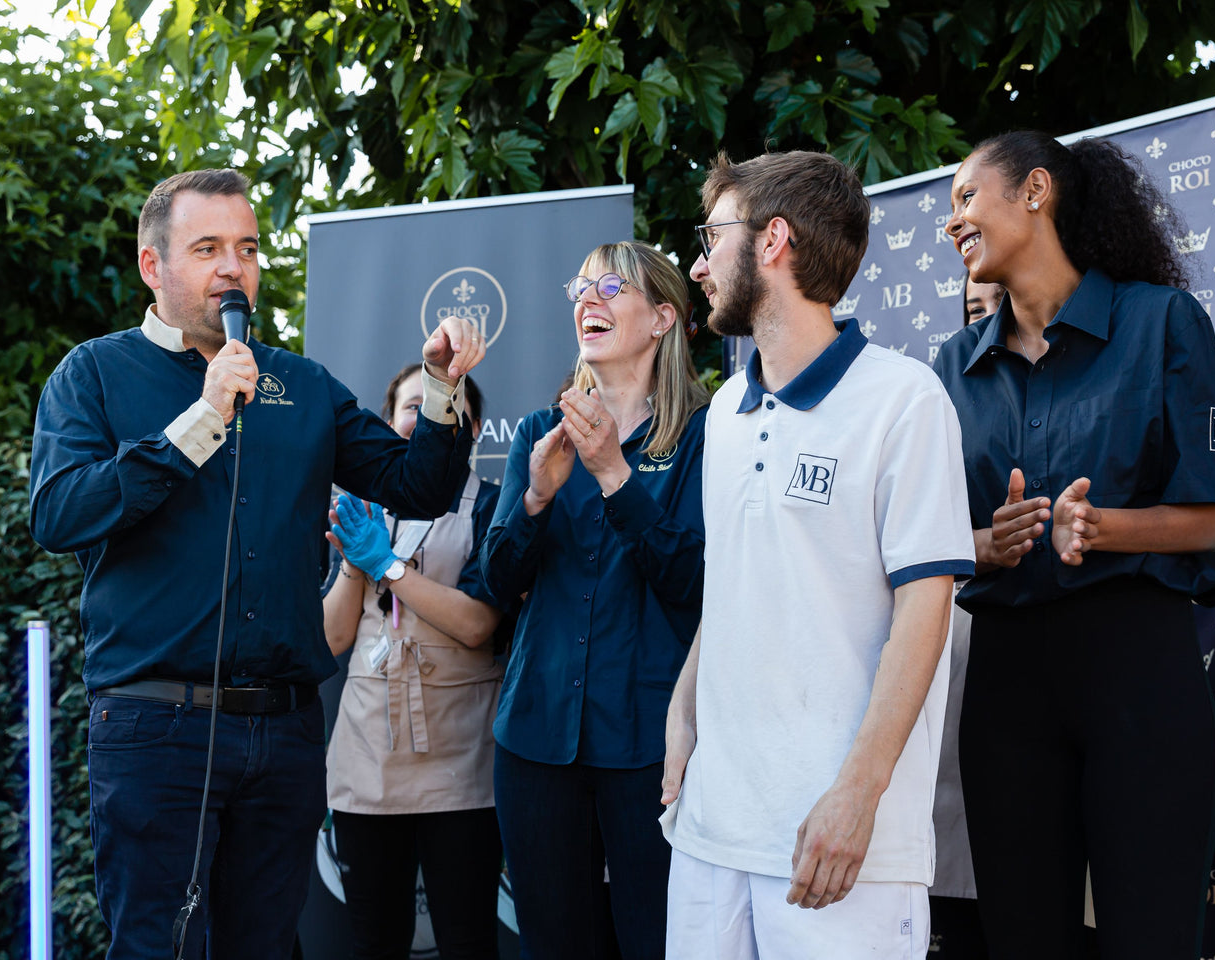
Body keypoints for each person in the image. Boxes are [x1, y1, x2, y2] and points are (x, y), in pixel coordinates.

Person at [28, 168, 485, 959]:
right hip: (153, 724)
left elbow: (421, 485)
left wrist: (442, 389)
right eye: (207, 248)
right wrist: (202, 419)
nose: (232, 267)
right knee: (155, 947)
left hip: (282, 729)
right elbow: (62, 513)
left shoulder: (301, 385)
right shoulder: (93, 375)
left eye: (246, 248)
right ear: (153, 266)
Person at [660, 150, 976, 960]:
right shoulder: (724, 409)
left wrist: (858, 795)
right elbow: (734, 586)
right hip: (711, 831)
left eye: (711, 236)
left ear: (773, 240)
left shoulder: (905, 400)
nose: (697, 265)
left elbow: (924, 608)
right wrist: (684, 712)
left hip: (840, 844)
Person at [932, 131, 1215, 960]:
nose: (951, 221)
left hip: (1139, 672)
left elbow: (1210, 516)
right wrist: (984, 545)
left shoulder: (1161, 321)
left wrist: (1100, 528)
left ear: (1036, 191)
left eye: (966, 197)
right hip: (1004, 691)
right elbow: (925, 540)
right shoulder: (949, 368)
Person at [480, 240, 709, 960]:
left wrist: (614, 473)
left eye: (612, 286)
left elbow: (696, 586)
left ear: (663, 318)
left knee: (657, 942)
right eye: (580, 288)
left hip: (650, 744)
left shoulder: (707, 434)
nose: (589, 300)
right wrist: (536, 497)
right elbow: (495, 583)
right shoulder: (533, 436)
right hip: (537, 736)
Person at [322, 365, 506, 960]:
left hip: (463, 759)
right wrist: (356, 560)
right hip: (368, 755)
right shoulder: (357, 508)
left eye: (445, 408)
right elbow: (332, 640)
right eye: (412, 407)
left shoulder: (495, 508)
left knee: (468, 939)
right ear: (388, 422)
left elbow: (479, 624)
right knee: (375, 941)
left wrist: (388, 567)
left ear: (473, 428)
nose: (424, 419)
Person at [926, 274, 1006, 960]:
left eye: (998, 306)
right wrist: (975, 545)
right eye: (972, 312)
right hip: (955, 625)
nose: (985, 324)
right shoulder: (940, 388)